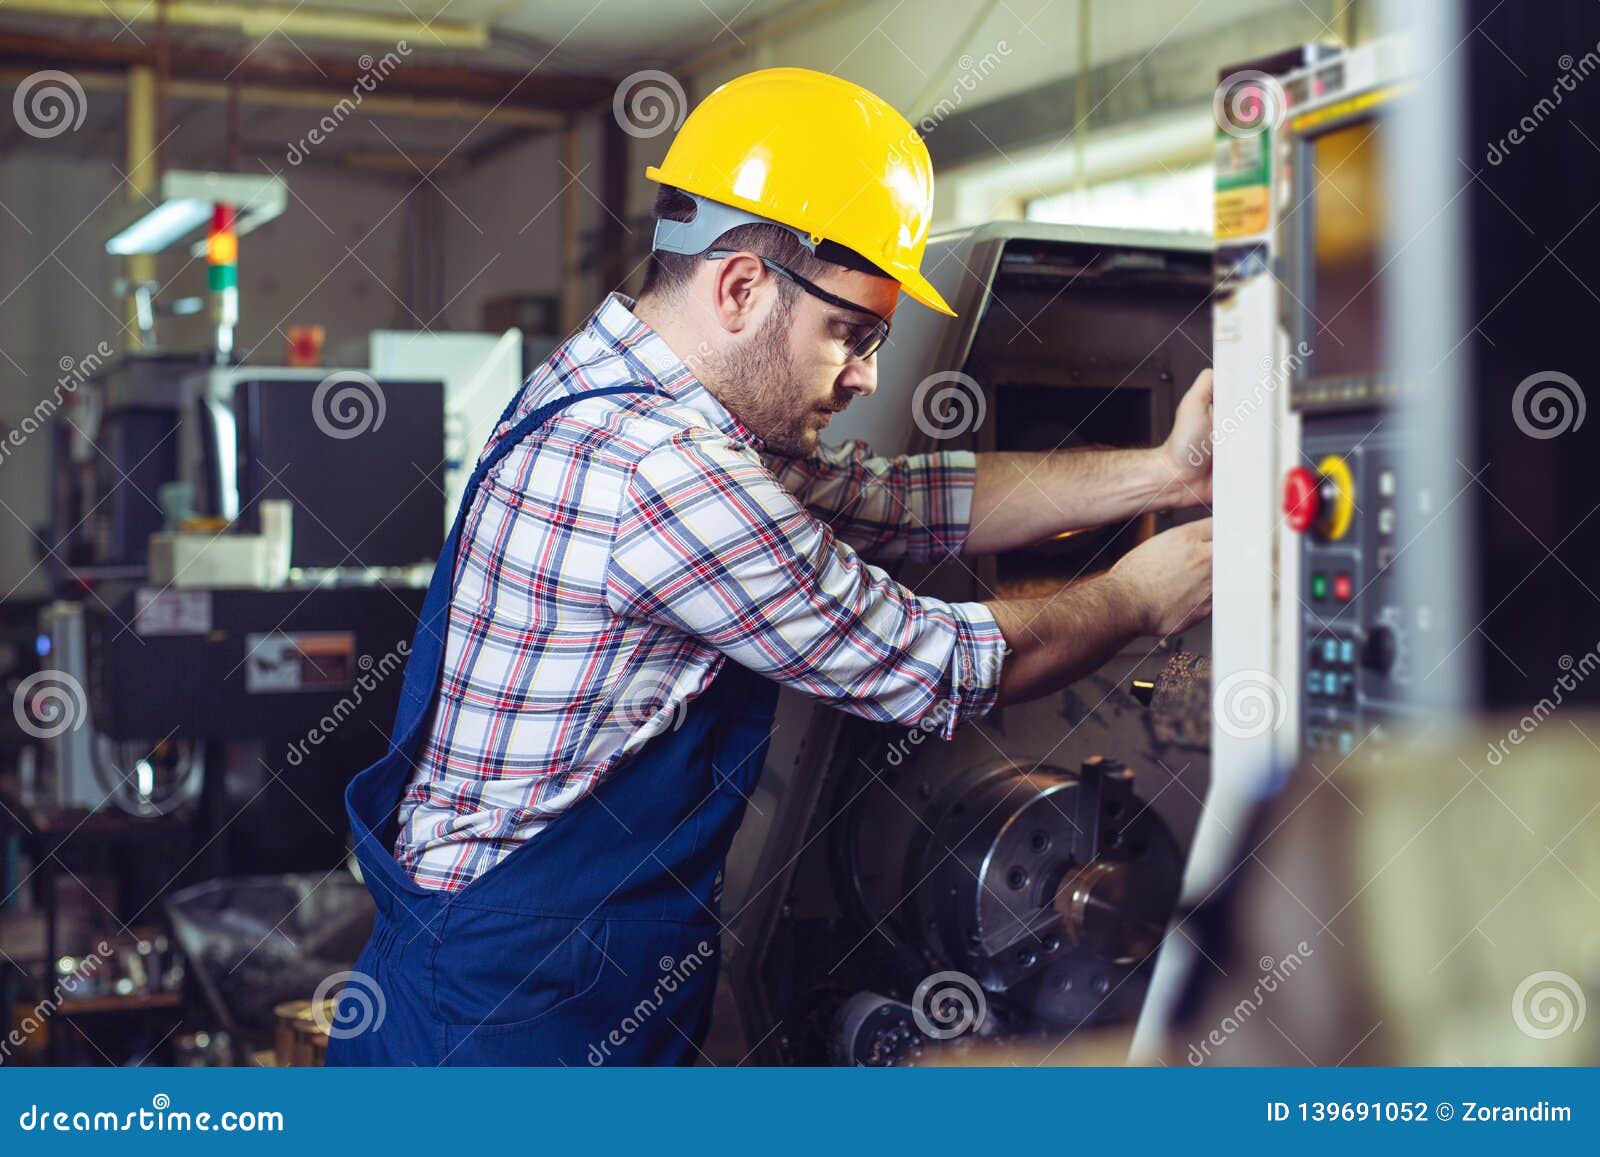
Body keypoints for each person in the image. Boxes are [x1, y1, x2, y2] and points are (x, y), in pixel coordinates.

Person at [328, 66, 1212, 1067]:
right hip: (511, 1018)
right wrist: (1143, 592)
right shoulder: (663, 471)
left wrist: (1163, 472)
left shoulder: (615, 388)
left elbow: (901, 502)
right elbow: (940, 663)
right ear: (741, 285)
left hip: (515, 975)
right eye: (852, 332)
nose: (868, 374)